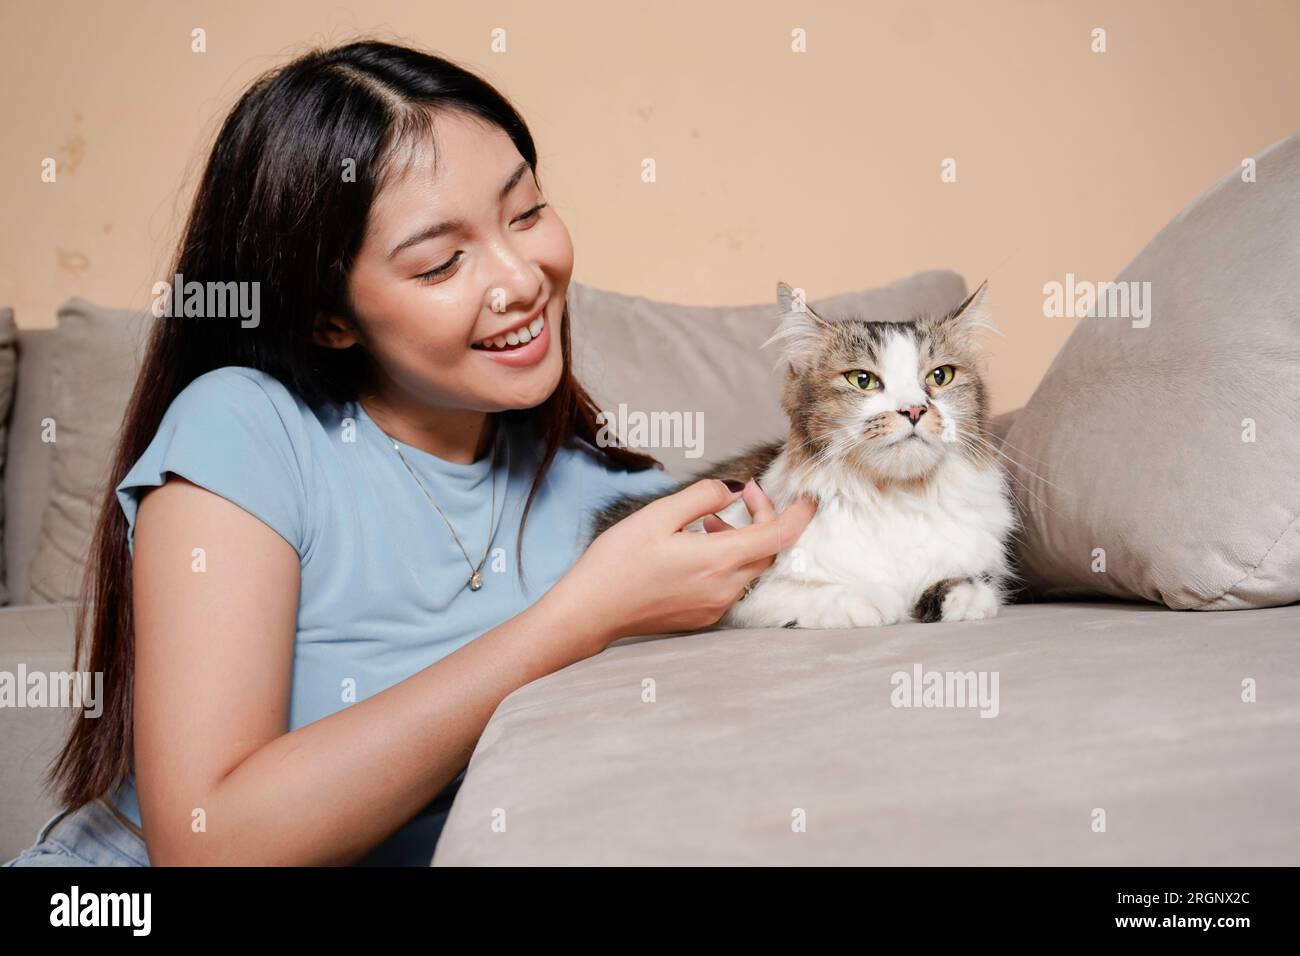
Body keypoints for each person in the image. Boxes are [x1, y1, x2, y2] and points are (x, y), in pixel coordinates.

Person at [3, 39, 815, 867]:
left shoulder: (607, 496)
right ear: (330, 317)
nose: (520, 278)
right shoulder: (244, 431)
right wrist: (583, 616)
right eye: (440, 262)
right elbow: (208, 844)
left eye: (527, 212)